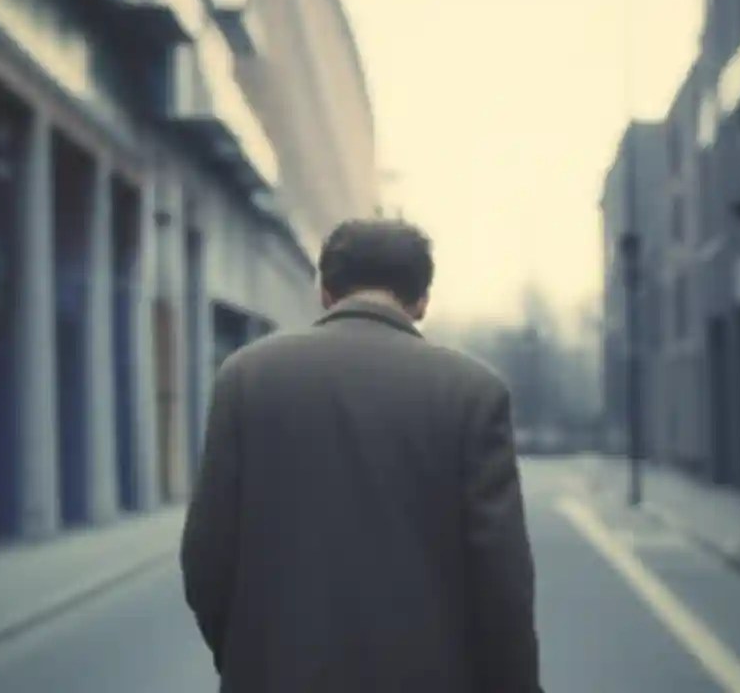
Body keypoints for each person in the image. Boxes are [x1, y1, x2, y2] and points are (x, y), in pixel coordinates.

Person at [181, 219, 542, 692]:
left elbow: (207, 558)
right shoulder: (474, 392)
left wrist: (249, 659)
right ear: (421, 301)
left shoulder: (245, 377)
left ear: (326, 292)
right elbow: (501, 581)